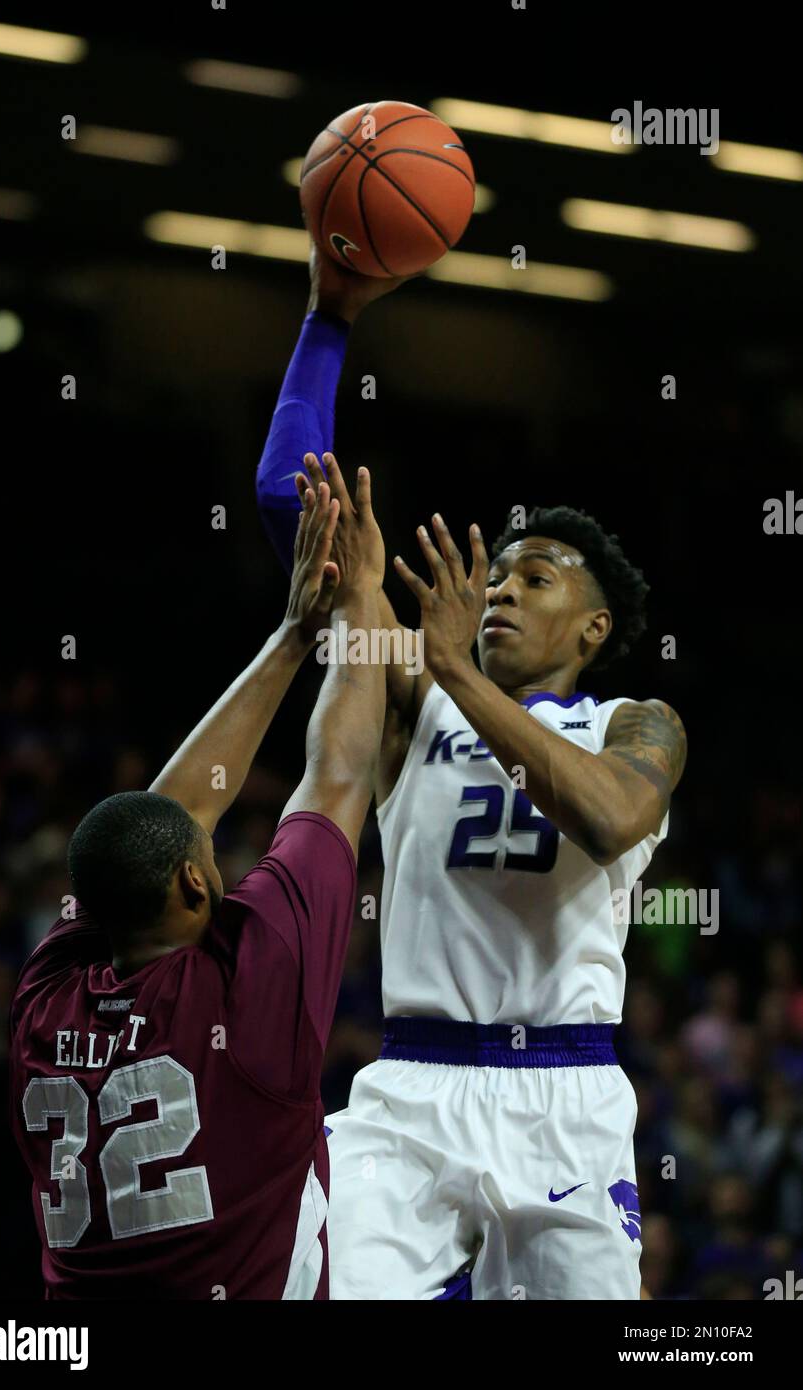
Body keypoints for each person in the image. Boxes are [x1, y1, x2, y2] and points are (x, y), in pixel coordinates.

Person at [254, 244, 687, 1299]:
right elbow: (291, 508)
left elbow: (611, 818)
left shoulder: (635, 721)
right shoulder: (412, 686)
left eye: (531, 576)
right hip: (411, 1086)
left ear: (591, 625)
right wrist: (328, 316)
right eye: (491, 572)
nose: (497, 588)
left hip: (566, 1094)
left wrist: (453, 667)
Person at [9, 468, 386, 1299]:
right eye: (206, 854)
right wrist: (357, 602)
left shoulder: (45, 1000)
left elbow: (161, 821)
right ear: (190, 880)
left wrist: (293, 636)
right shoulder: (253, 984)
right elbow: (340, 768)